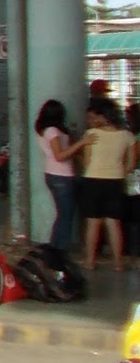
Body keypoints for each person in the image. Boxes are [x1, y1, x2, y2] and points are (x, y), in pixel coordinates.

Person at [79, 98, 136, 272]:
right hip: (116, 182)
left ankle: (90, 261)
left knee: (93, 223)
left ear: (102, 116)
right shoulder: (127, 135)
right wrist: (119, 172)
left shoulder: (91, 134)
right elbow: (131, 164)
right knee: (114, 223)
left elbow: (87, 163)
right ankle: (118, 263)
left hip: (93, 181)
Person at [35, 99, 88, 253]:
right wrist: (82, 143)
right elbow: (60, 156)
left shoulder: (48, 130)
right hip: (61, 175)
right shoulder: (52, 131)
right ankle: (60, 250)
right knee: (66, 215)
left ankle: (54, 248)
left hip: (56, 175)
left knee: (63, 214)